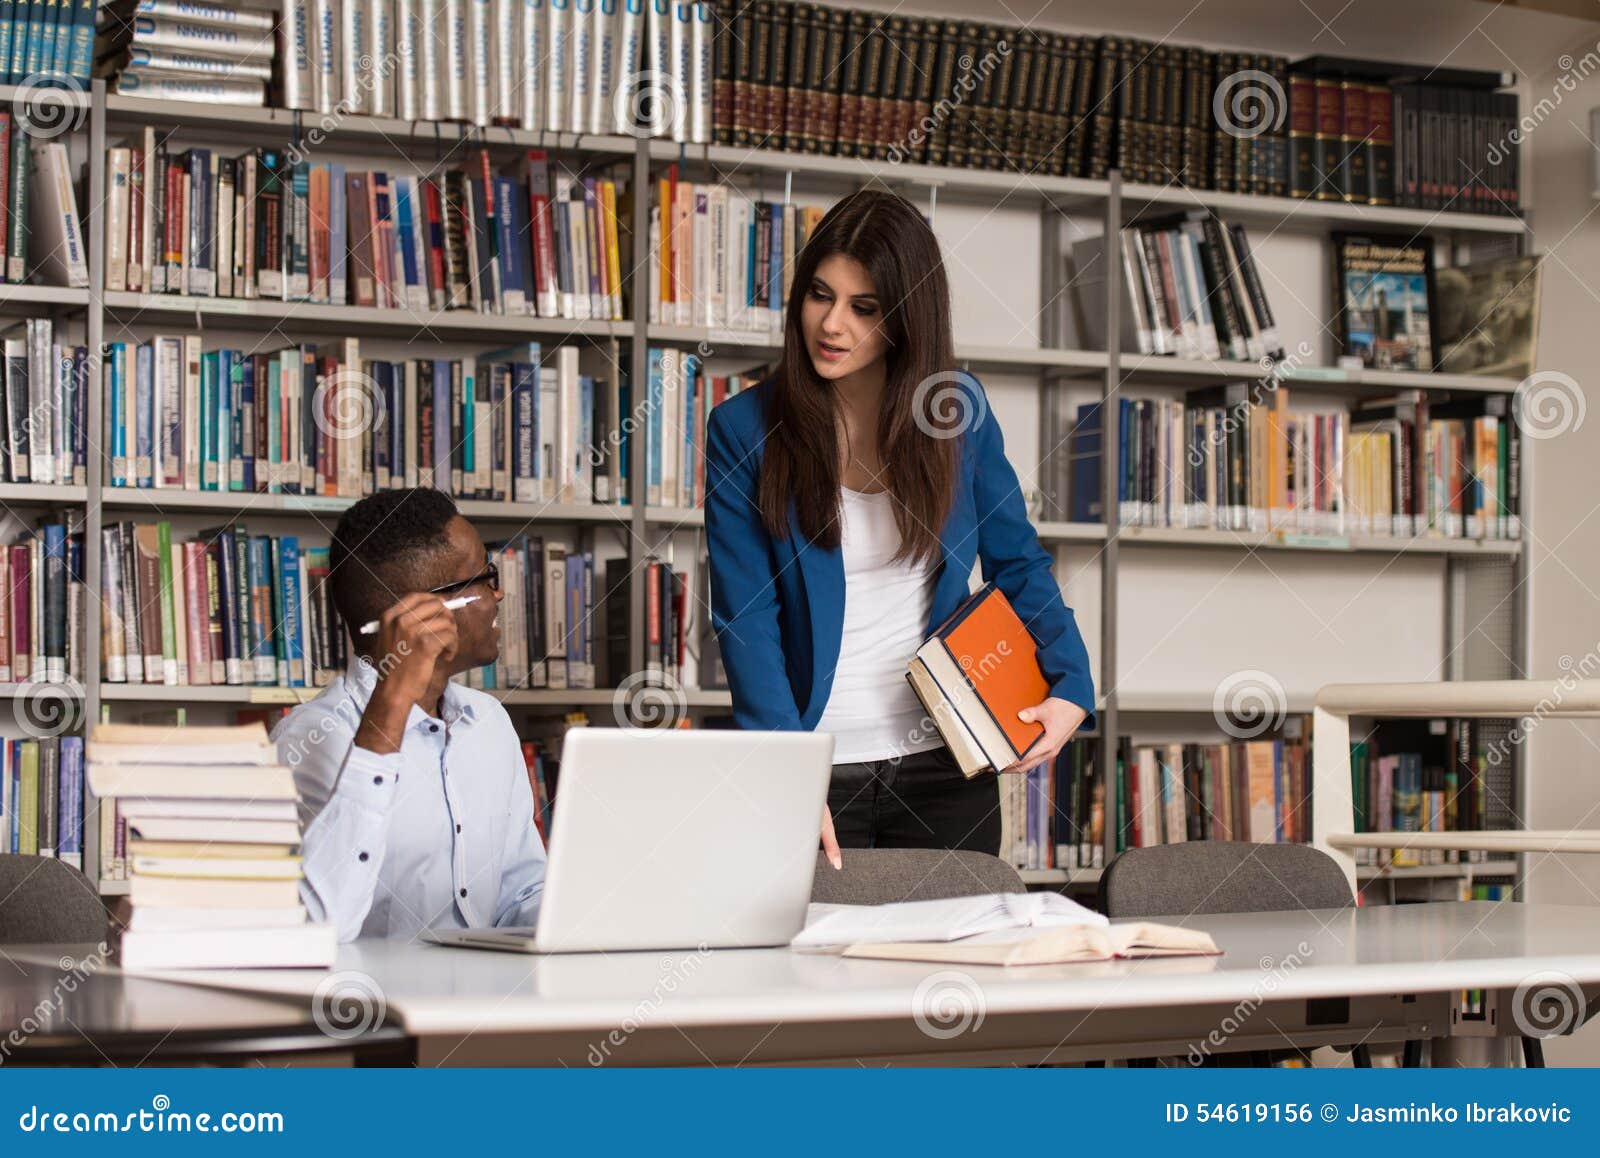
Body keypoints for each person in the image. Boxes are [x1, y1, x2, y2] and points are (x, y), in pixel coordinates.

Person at [705, 189, 1095, 858]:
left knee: (949, 960)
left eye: (864, 308)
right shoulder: (744, 430)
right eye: (820, 295)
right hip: (820, 773)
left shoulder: (955, 412)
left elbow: (1018, 561)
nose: (833, 325)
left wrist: (1073, 682)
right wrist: (787, 778)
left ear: (905, 318)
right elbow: (747, 621)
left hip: (948, 768)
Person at [272, 488, 545, 941]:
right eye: (484, 576)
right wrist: (392, 705)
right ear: (424, 612)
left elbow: (520, 892)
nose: (499, 592)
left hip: (484, 1006)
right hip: (366, 1009)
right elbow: (317, 927)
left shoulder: (490, 722)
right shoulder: (309, 740)